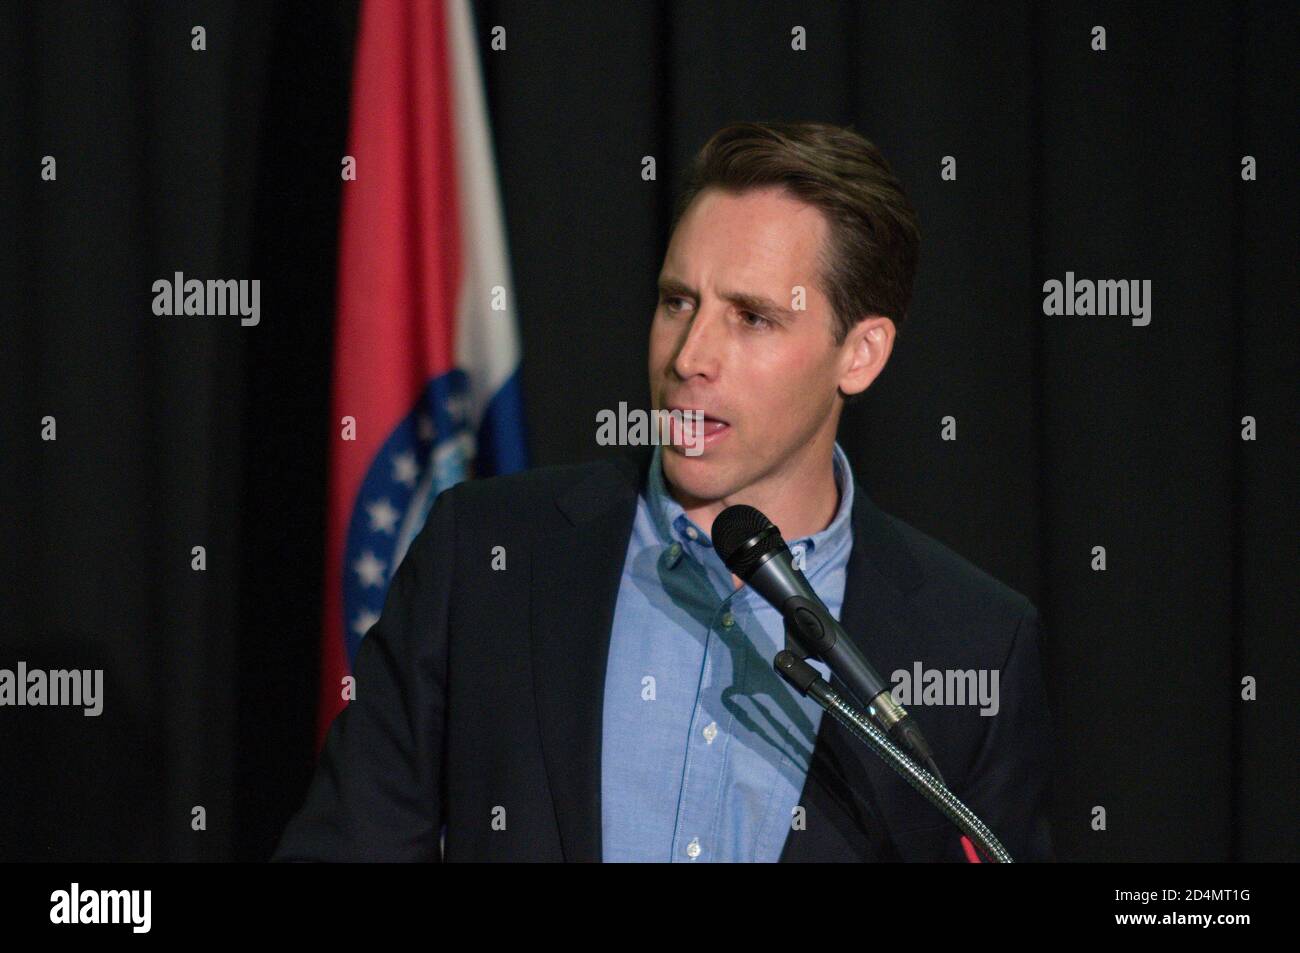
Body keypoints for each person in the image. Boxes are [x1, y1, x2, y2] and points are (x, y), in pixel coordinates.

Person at [274, 120, 1055, 862]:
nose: (690, 355)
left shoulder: (972, 643)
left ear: (860, 354)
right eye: (678, 301)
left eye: (751, 318)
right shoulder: (484, 554)